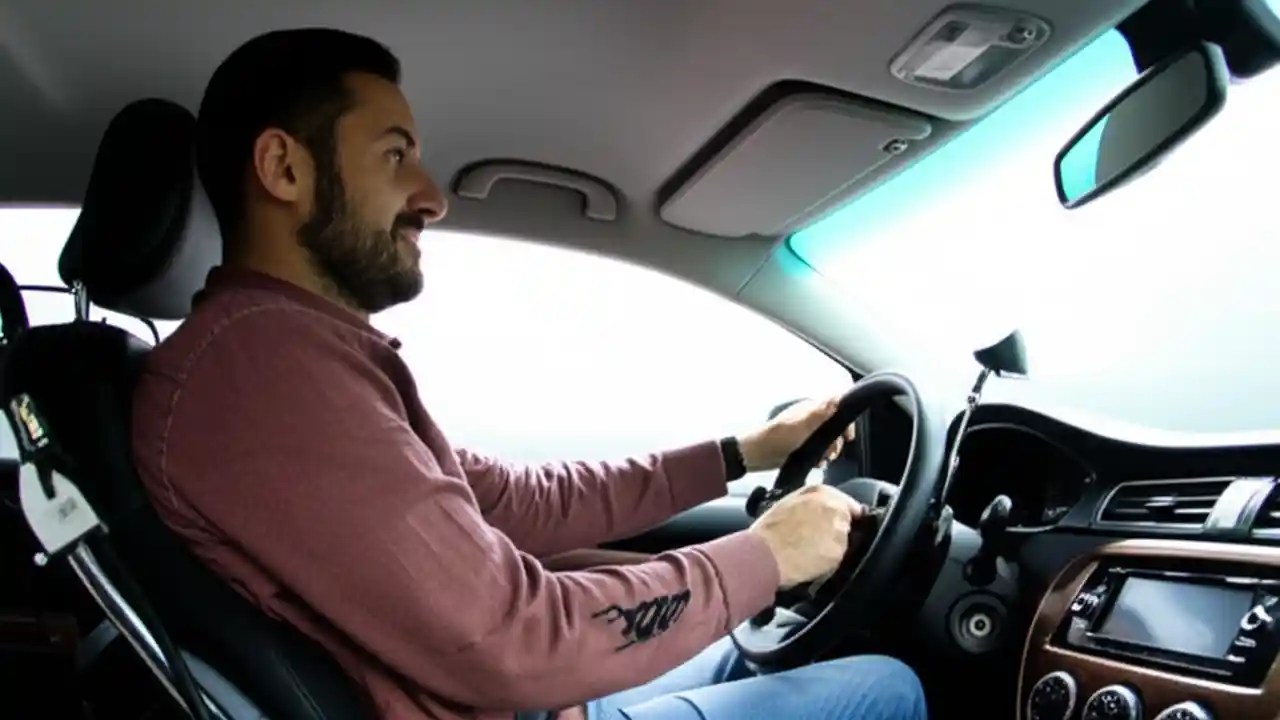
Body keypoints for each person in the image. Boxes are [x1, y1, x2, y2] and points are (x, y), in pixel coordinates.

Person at [130, 28, 927, 720]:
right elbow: (509, 638)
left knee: (774, 650)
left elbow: (517, 504)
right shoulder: (263, 378)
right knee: (886, 688)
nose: (431, 198)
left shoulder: (294, 355)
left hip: (537, 702)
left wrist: (740, 452)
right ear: (284, 168)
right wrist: (766, 557)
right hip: (520, 704)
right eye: (395, 156)